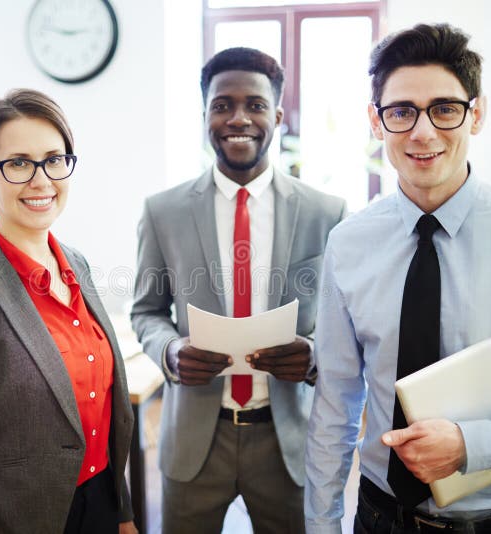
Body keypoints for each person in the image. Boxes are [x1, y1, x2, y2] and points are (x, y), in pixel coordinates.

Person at [305, 23, 491, 534]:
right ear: (376, 121)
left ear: (477, 114)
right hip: (380, 517)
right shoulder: (348, 243)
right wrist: (321, 522)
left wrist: (476, 445)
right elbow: (335, 402)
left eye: (445, 109)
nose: (423, 133)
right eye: (401, 112)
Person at [131, 47, 346, 533]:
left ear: (278, 117)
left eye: (255, 105)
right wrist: (169, 351)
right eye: (222, 105)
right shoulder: (163, 212)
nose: (238, 118)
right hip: (194, 440)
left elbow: (346, 320)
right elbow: (146, 311)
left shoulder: (326, 212)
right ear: (205, 116)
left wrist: (316, 353)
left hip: (287, 440)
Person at [0, 88, 137, 534]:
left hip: (100, 502)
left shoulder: (76, 263)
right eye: (18, 164)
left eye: (54, 159)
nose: (41, 180)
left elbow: (102, 412)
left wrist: (123, 511)